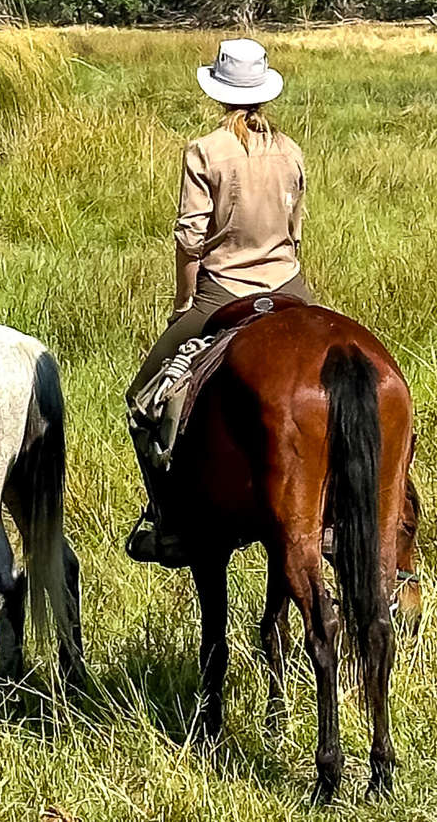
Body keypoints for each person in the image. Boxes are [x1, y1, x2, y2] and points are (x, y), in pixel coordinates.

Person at [125, 38, 312, 565]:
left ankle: (168, 520)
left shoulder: (205, 151)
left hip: (224, 286)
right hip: (288, 284)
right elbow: (296, 233)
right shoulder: (291, 150)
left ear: (219, 91)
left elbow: (190, 237)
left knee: (142, 401)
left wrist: (186, 301)